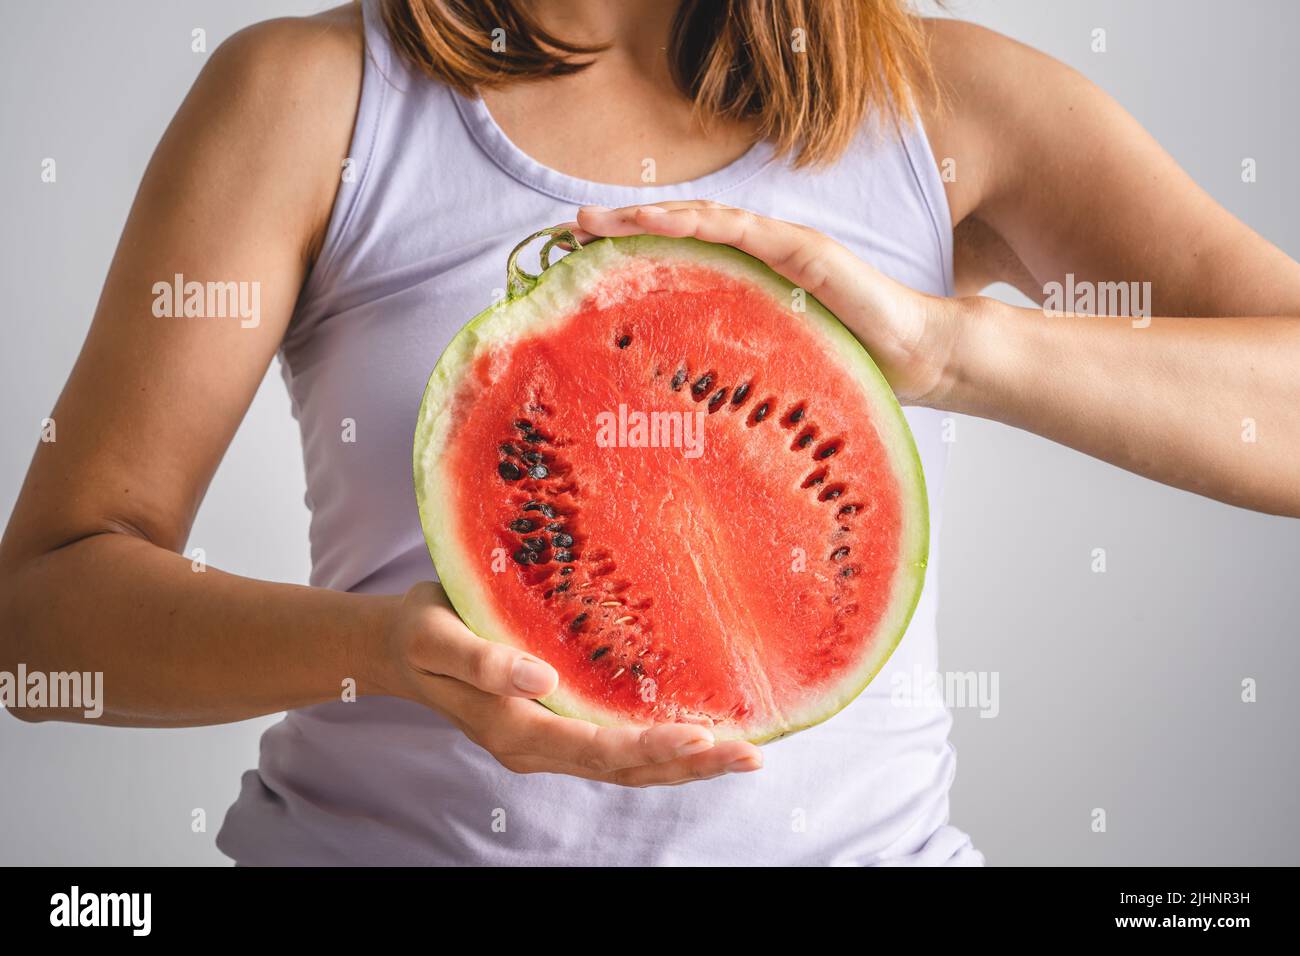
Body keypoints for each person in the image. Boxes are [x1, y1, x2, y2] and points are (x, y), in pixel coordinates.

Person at [2, 0, 1296, 866]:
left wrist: (953, 349)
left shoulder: (945, 101)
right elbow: (40, 621)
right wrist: (376, 653)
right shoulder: (311, 96)